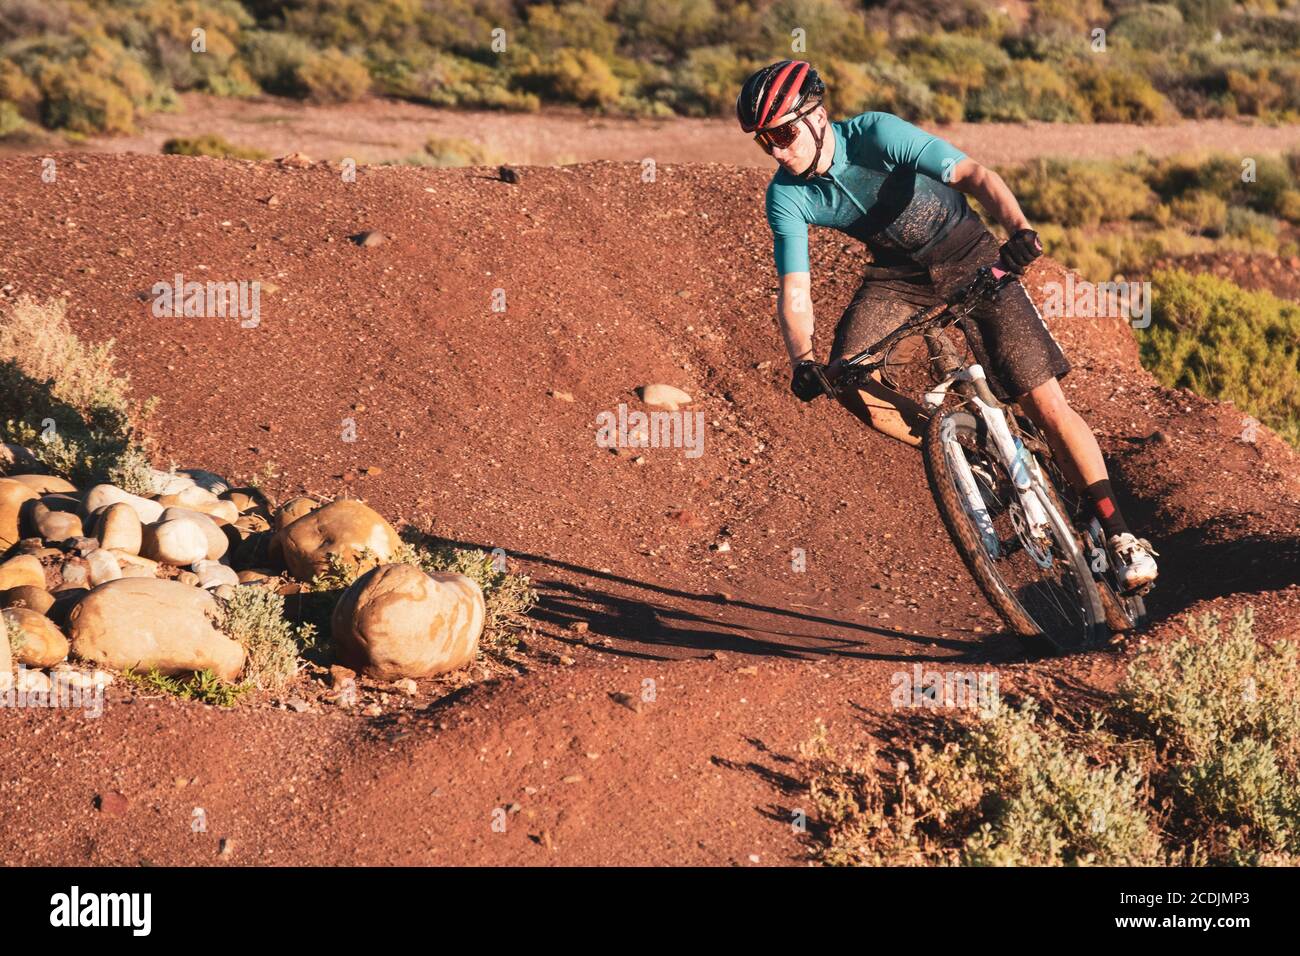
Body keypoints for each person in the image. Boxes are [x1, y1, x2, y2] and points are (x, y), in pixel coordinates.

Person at [737, 59, 1158, 591]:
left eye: (782, 133)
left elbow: (974, 176)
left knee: (1044, 402)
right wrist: (802, 358)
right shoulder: (786, 196)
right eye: (763, 142)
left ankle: (1119, 535)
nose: (776, 150)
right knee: (844, 373)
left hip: (971, 253)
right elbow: (795, 288)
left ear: (817, 116)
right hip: (897, 279)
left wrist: (1020, 231)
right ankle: (957, 449)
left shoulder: (875, 134)